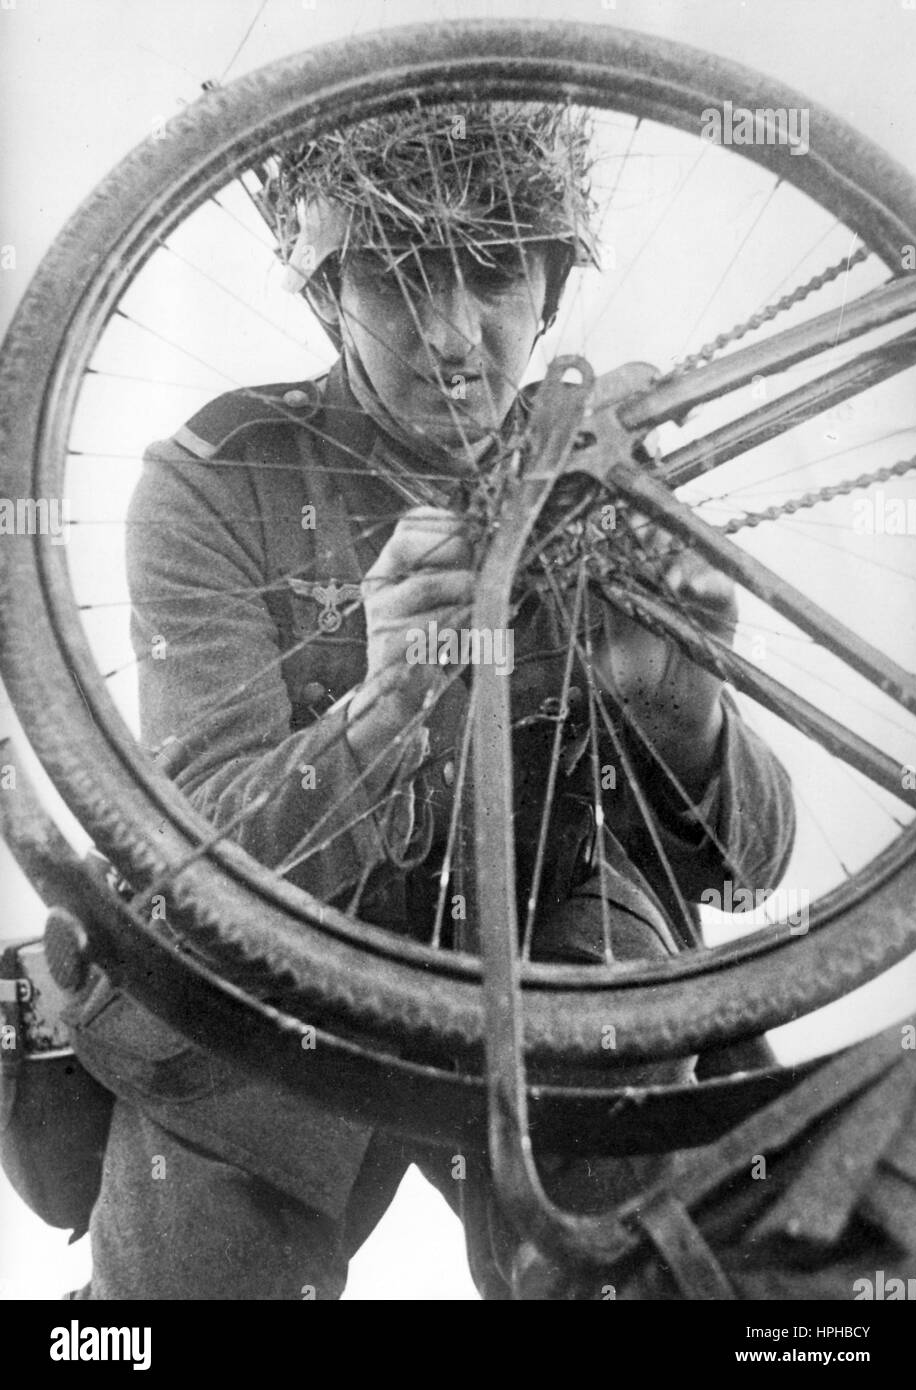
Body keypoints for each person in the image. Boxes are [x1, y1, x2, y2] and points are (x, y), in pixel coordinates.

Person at [65, 103, 796, 1299]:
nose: (454, 336)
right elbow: (188, 870)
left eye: (497, 271)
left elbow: (749, 868)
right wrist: (381, 708)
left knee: (661, 1251)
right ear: (322, 292)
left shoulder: (613, 464)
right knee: (186, 1279)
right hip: (289, 972)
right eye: (399, 278)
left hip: (558, 957)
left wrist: (677, 687)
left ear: (551, 291)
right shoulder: (212, 480)